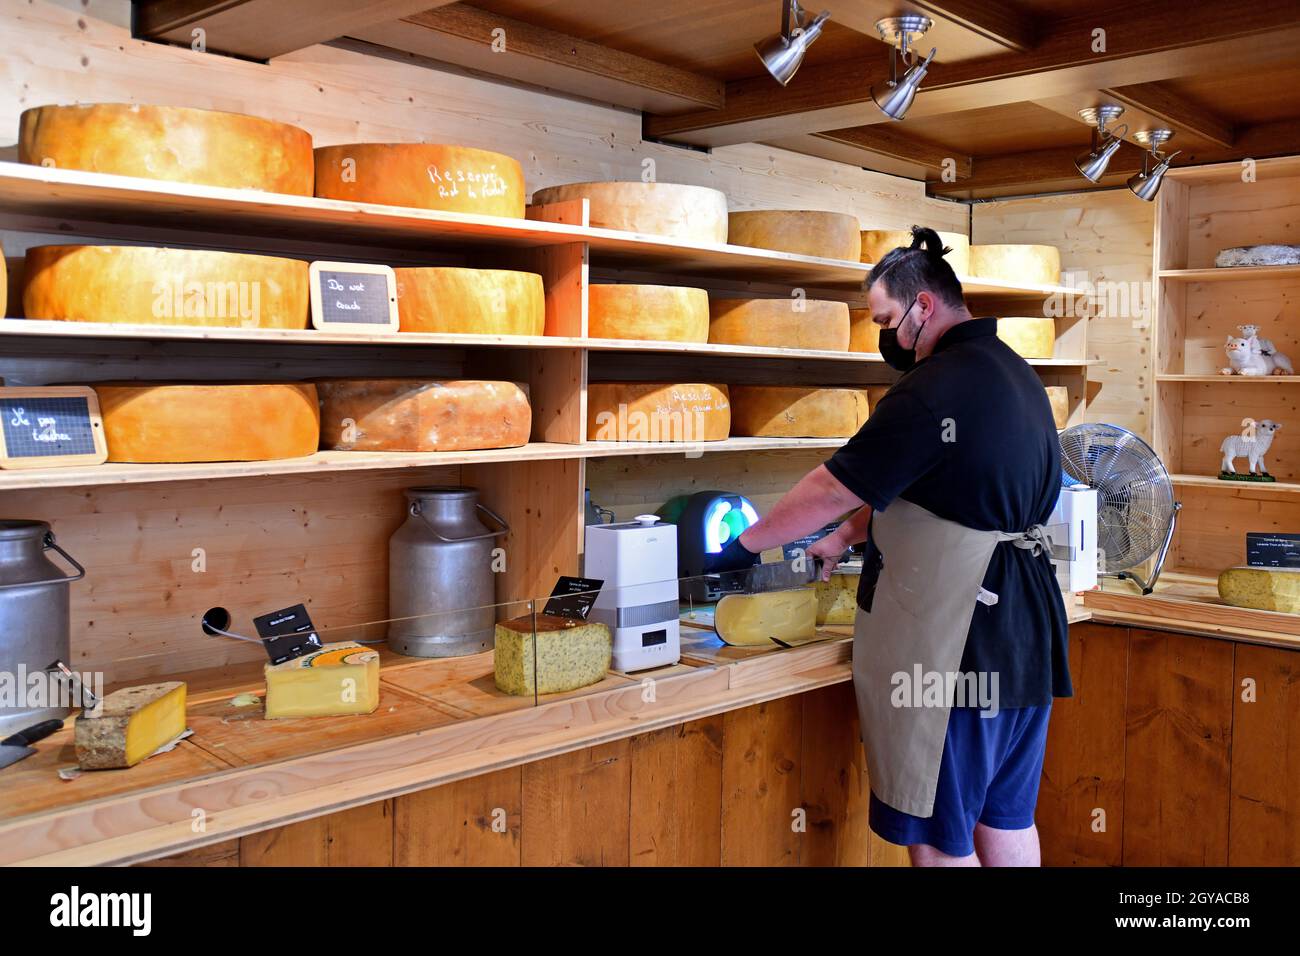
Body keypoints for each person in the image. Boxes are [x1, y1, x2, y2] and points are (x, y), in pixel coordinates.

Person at [714, 226, 1071, 866]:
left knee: (940, 834)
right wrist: (848, 535)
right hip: (1028, 633)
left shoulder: (933, 388)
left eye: (886, 319)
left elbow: (831, 485)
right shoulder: (1013, 372)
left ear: (923, 307)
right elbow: (947, 490)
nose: (886, 336)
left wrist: (743, 548)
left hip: (961, 641)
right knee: (1004, 815)